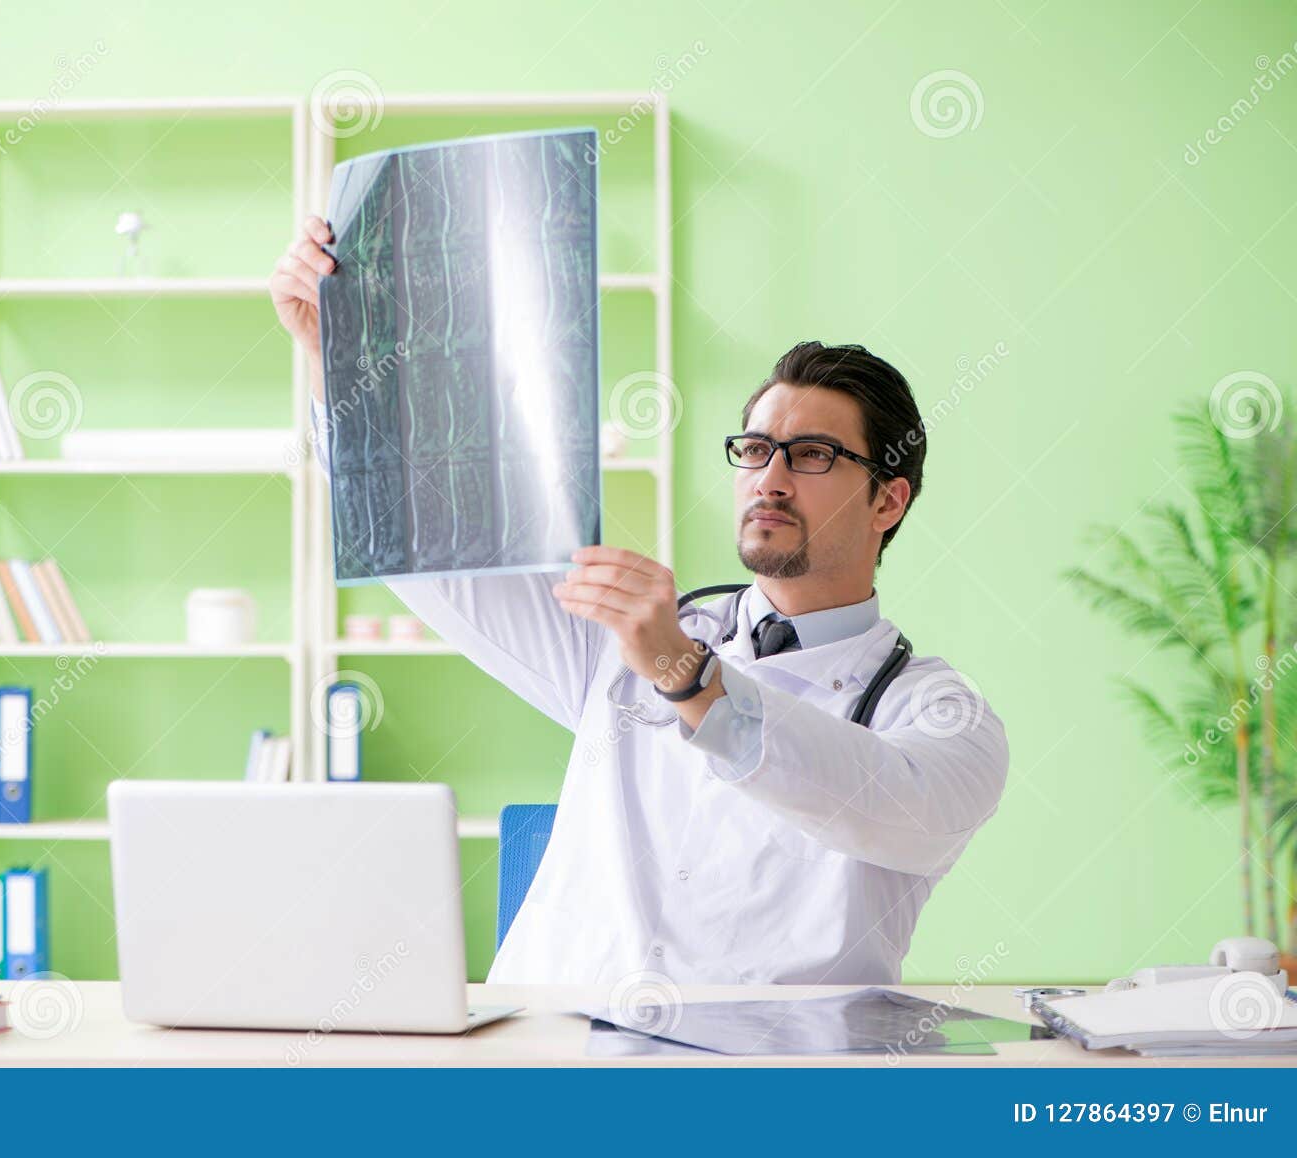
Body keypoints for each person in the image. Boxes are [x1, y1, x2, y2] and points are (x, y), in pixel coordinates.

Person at [270, 216, 1008, 985]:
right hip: (554, 1060)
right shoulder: (628, 640)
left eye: (812, 455)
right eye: (754, 450)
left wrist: (690, 679)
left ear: (888, 501)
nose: (770, 478)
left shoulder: (941, 714)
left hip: (770, 1074)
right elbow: (428, 556)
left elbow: (891, 805)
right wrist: (336, 360)